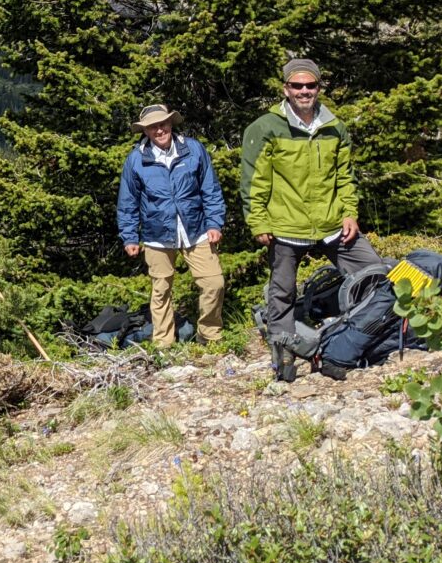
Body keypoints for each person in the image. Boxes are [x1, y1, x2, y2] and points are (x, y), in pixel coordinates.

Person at [241, 58, 381, 382]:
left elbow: (345, 177)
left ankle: (363, 341)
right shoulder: (264, 128)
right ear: (285, 89)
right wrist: (258, 221)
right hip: (286, 225)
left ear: (318, 88)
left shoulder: (335, 127)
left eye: (310, 85)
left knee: (374, 274)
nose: (304, 91)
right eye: (297, 86)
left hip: (332, 223)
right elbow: (254, 180)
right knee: (282, 292)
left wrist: (349, 212)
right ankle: (284, 359)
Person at [116, 104, 227, 346]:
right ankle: (164, 344)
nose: (159, 130)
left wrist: (215, 223)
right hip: (156, 234)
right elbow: (128, 202)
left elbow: (210, 190)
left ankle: (209, 336)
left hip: (196, 229)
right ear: (145, 131)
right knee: (161, 290)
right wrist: (130, 237)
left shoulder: (193, 149)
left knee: (214, 283)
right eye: (153, 127)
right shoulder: (136, 160)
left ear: (171, 123)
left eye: (163, 124)